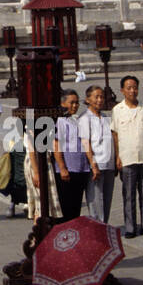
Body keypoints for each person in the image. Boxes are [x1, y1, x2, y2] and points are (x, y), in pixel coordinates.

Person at [111, 75, 143, 238]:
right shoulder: (117, 110)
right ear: (122, 91)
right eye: (129, 88)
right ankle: (130, 227)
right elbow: (115, 135)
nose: (132, 91)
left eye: (135, 87)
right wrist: (117, 157)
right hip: (127, 158)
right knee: (129, 194)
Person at [80, 85, 115, 222]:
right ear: (88, 100)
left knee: (107, 199)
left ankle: (104, 227)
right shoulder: (84, 118)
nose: (100, 100)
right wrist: (93, 164)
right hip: (96, 165)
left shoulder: (105, 117)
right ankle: (97, 227)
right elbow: (86, 142)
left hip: (109, 164)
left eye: (102, 97)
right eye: (96, 97)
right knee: (95, 200)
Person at [53, 91, 90, 220]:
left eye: (77, 102)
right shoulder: (60, 121)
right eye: (71, 103)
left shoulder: (76, 120)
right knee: (66, 206)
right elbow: (56, 145)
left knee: (76, 206)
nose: (75, 106)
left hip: (80, 168)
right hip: (67, 170)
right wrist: (62, 168)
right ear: (63, 104)